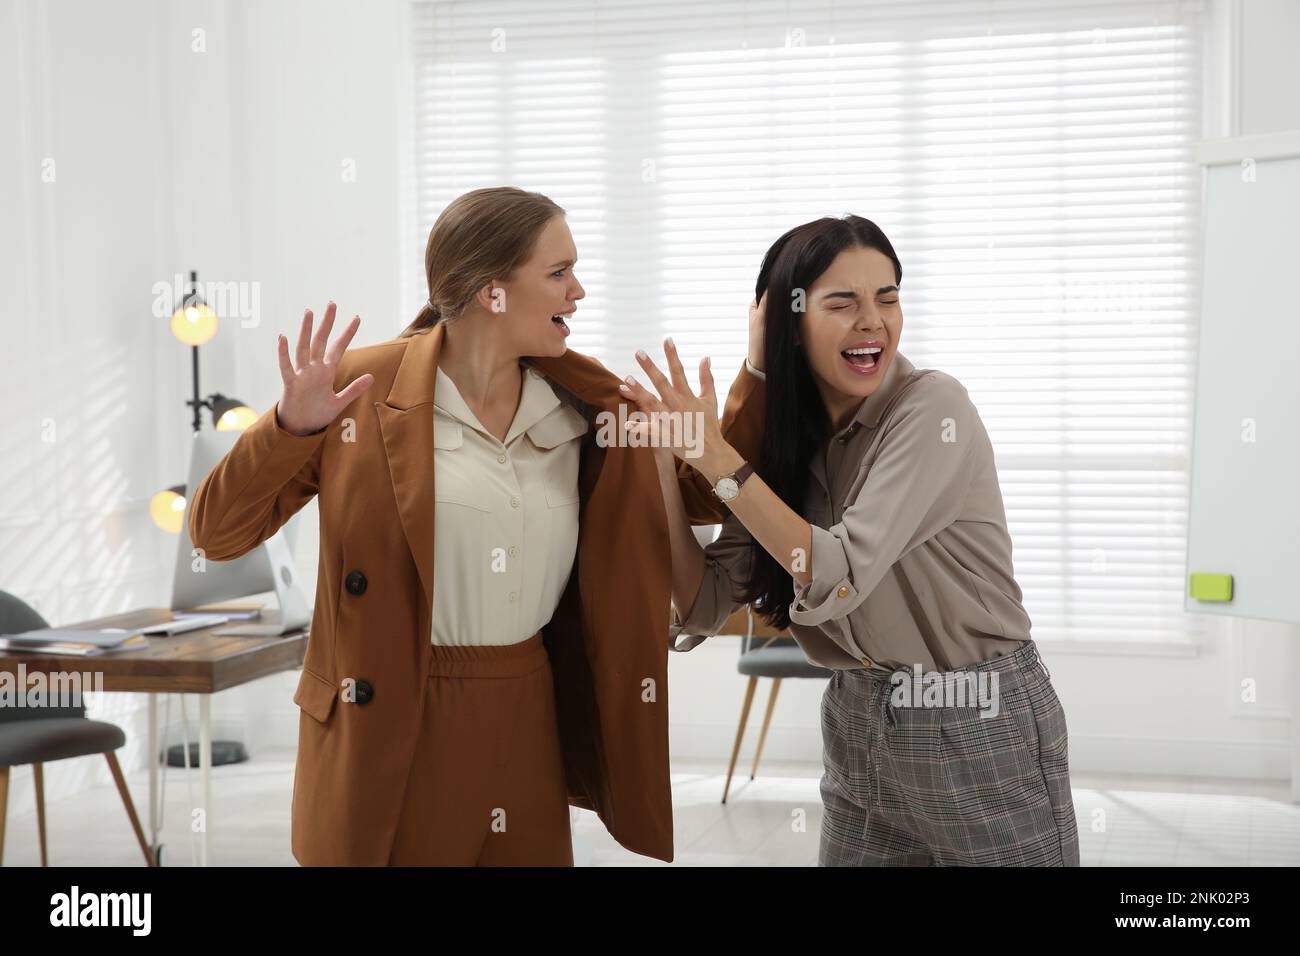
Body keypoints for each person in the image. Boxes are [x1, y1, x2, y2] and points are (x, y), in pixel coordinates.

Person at [187, 186, 761, 865]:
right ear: (491, 291)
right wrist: (288, 428)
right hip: (396, 710)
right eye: (558, 273)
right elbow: (216, 533)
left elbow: (714, 496)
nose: (578, 292)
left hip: (528, 703)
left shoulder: (591, 404)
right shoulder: (356, 392)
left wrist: (754, 370)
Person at [625, 214, 1081, 866]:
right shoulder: (787, 439)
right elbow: (701, 604)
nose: (874, 321)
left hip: (974, 715)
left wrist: (718, 460)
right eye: (843, 303)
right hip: (858, 712)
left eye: (888, 298)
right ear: (787, 326)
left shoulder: (933, 410)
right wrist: (664, 467)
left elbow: (837, 568)